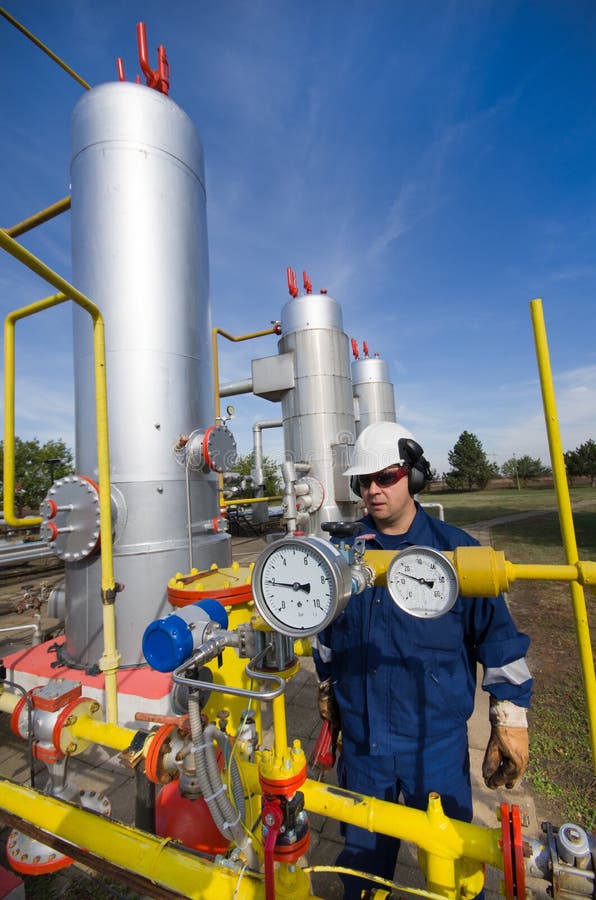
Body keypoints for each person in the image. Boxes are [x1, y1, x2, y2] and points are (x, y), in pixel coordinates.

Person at [312, 420, 532, 900]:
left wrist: (509, 718)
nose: (372, 490)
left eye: (385, 477)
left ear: (412, 477)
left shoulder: (458, 553)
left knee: (449, 870)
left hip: (434, 749)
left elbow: (499, 640)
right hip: (363, 748)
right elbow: (325, 635)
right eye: (363, 481)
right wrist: (327, 686)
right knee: (362, 872)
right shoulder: (342, 556)